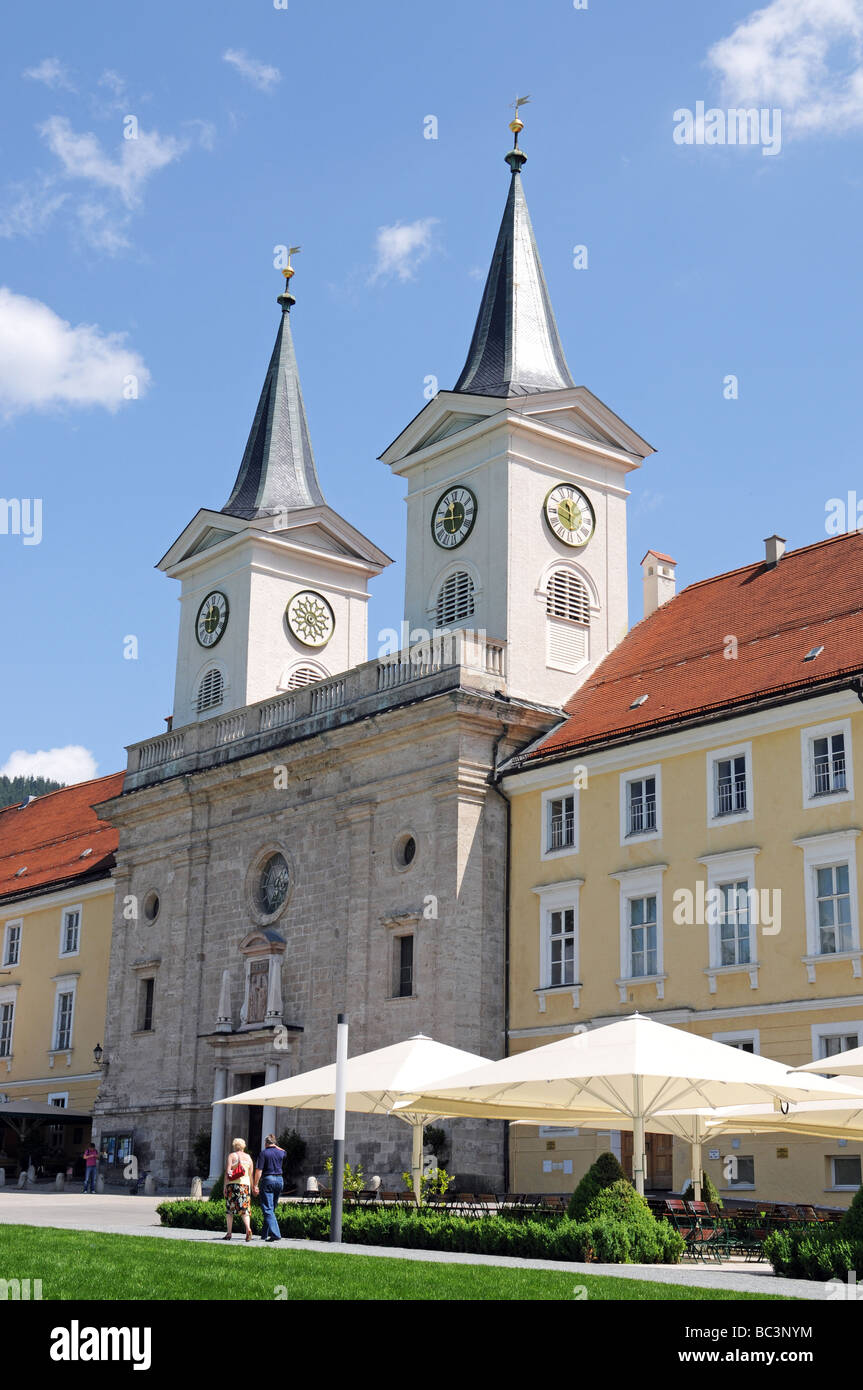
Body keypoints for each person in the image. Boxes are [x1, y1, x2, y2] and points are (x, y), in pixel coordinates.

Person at [253, 1134, 286, 1242]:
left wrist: (255, 1185)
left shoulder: (263, 1153)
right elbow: (284, 1151)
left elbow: (259, 1171)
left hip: (268, 1180)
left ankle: (276, 1234)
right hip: (279, 1180)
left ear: (265, 1143)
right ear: (274, 1143)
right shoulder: (281, 1152)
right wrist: (275, 1145)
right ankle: (264, 1234)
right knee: (271, 1208)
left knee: (267, 1208)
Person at [222, 1138, 254, 1242]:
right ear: (244, 1146)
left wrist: (224, 1187)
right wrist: (252, 1187)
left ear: (234, 1146)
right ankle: (248, 1229)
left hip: (233, 1186)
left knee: (230, 1211)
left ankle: (229, 1233)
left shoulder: (232, 1156)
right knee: (245, 1210)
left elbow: (228, 1172)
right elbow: (250, 1174)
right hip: (245, 1186)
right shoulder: (249, 1158)